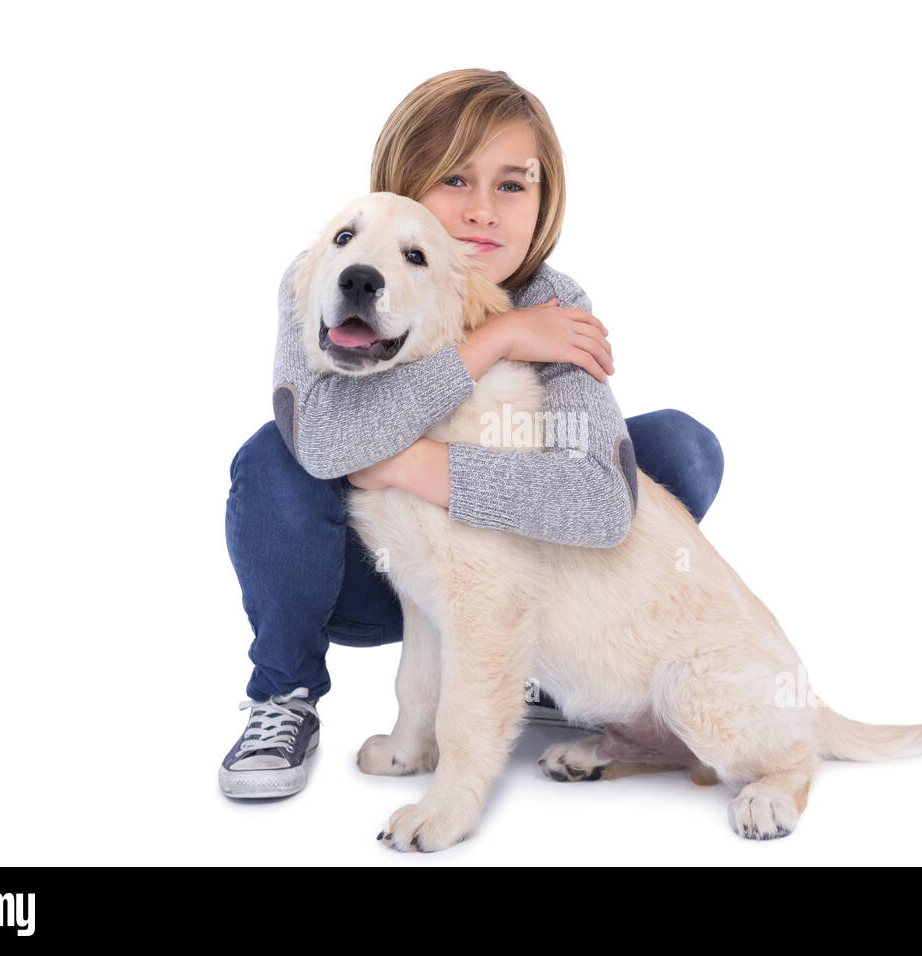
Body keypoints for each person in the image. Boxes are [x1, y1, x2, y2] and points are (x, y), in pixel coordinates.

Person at [221, 69, 725, 799]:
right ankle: (283, 696)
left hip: (503, 580)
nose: (483, 211)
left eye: (512, 185)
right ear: (403, 181)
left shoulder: (554, 302)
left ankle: (552, 664)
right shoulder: (328, 267)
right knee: (274, 455)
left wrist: (406, 462)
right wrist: (493, 342)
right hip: (360, 577)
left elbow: (603, 508)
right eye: (454, 178)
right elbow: (326, 444)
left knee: (675, 451)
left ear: (546, 201)